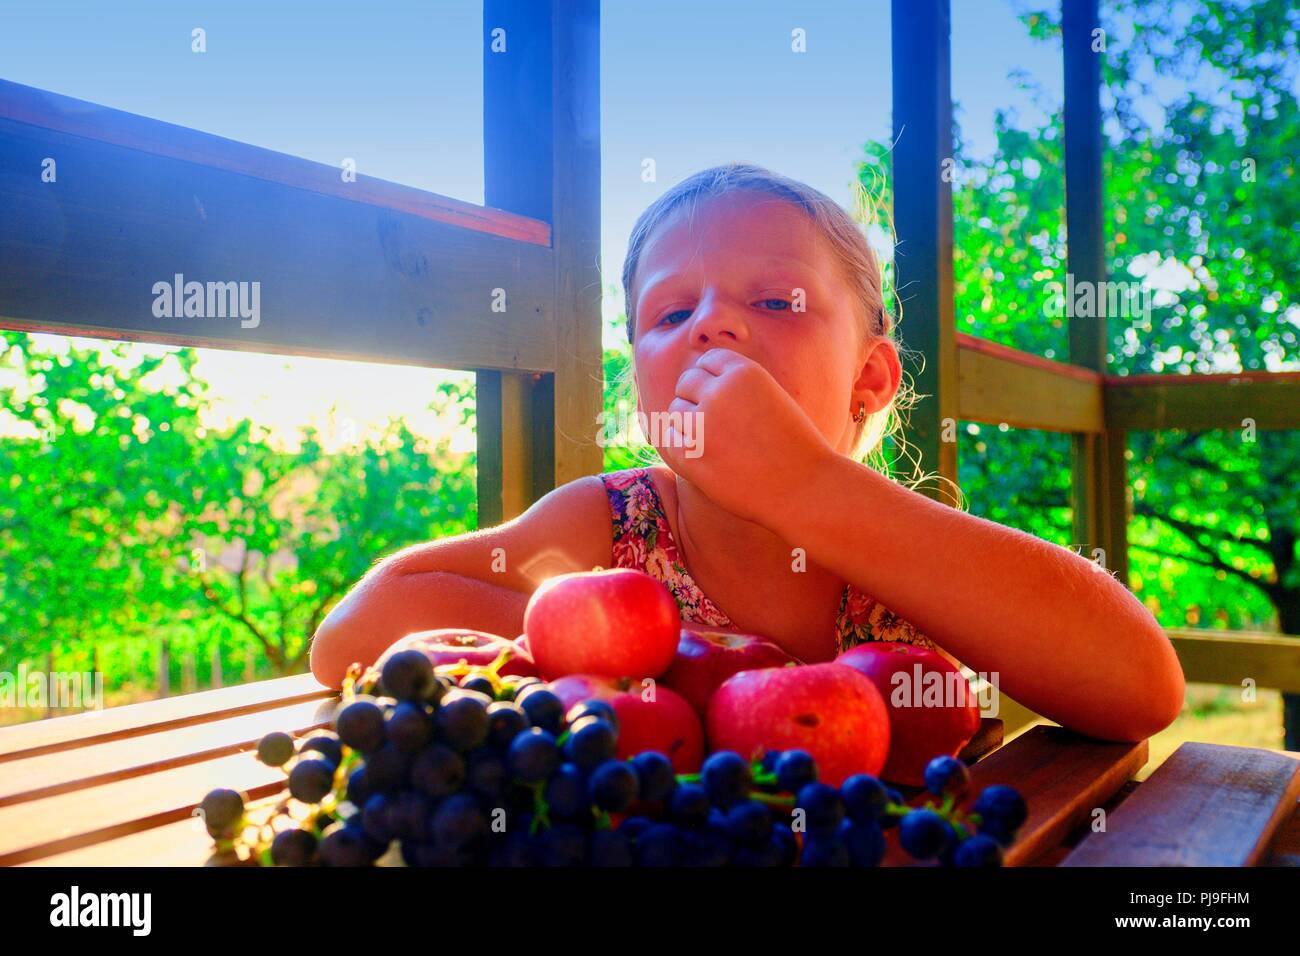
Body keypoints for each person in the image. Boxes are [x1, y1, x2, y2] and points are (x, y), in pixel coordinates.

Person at [309, 162, 1184, 743]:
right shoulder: (612, 526)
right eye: (669, 314)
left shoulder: (910, 551)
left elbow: (1141, 688)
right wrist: (639, 657)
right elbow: (355, 631)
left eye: (775, 302)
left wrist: (806, 491)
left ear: (869, 381)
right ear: (643, 389)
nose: (714, 324)